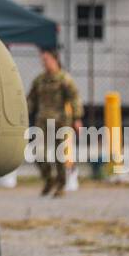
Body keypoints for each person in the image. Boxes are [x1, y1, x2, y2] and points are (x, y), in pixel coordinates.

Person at [27, 49, 83, 197]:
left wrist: (77, 118)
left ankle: (61, 185)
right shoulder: (39, 80)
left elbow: (74, 98)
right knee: (38, 152)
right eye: (42, 61)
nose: (44, 63)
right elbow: (31, 99)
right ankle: (48, 179)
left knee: (61, 156)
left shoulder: (64, 79)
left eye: (46, 60)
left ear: (55, 60)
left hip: (61, 121)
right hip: (42, 121)